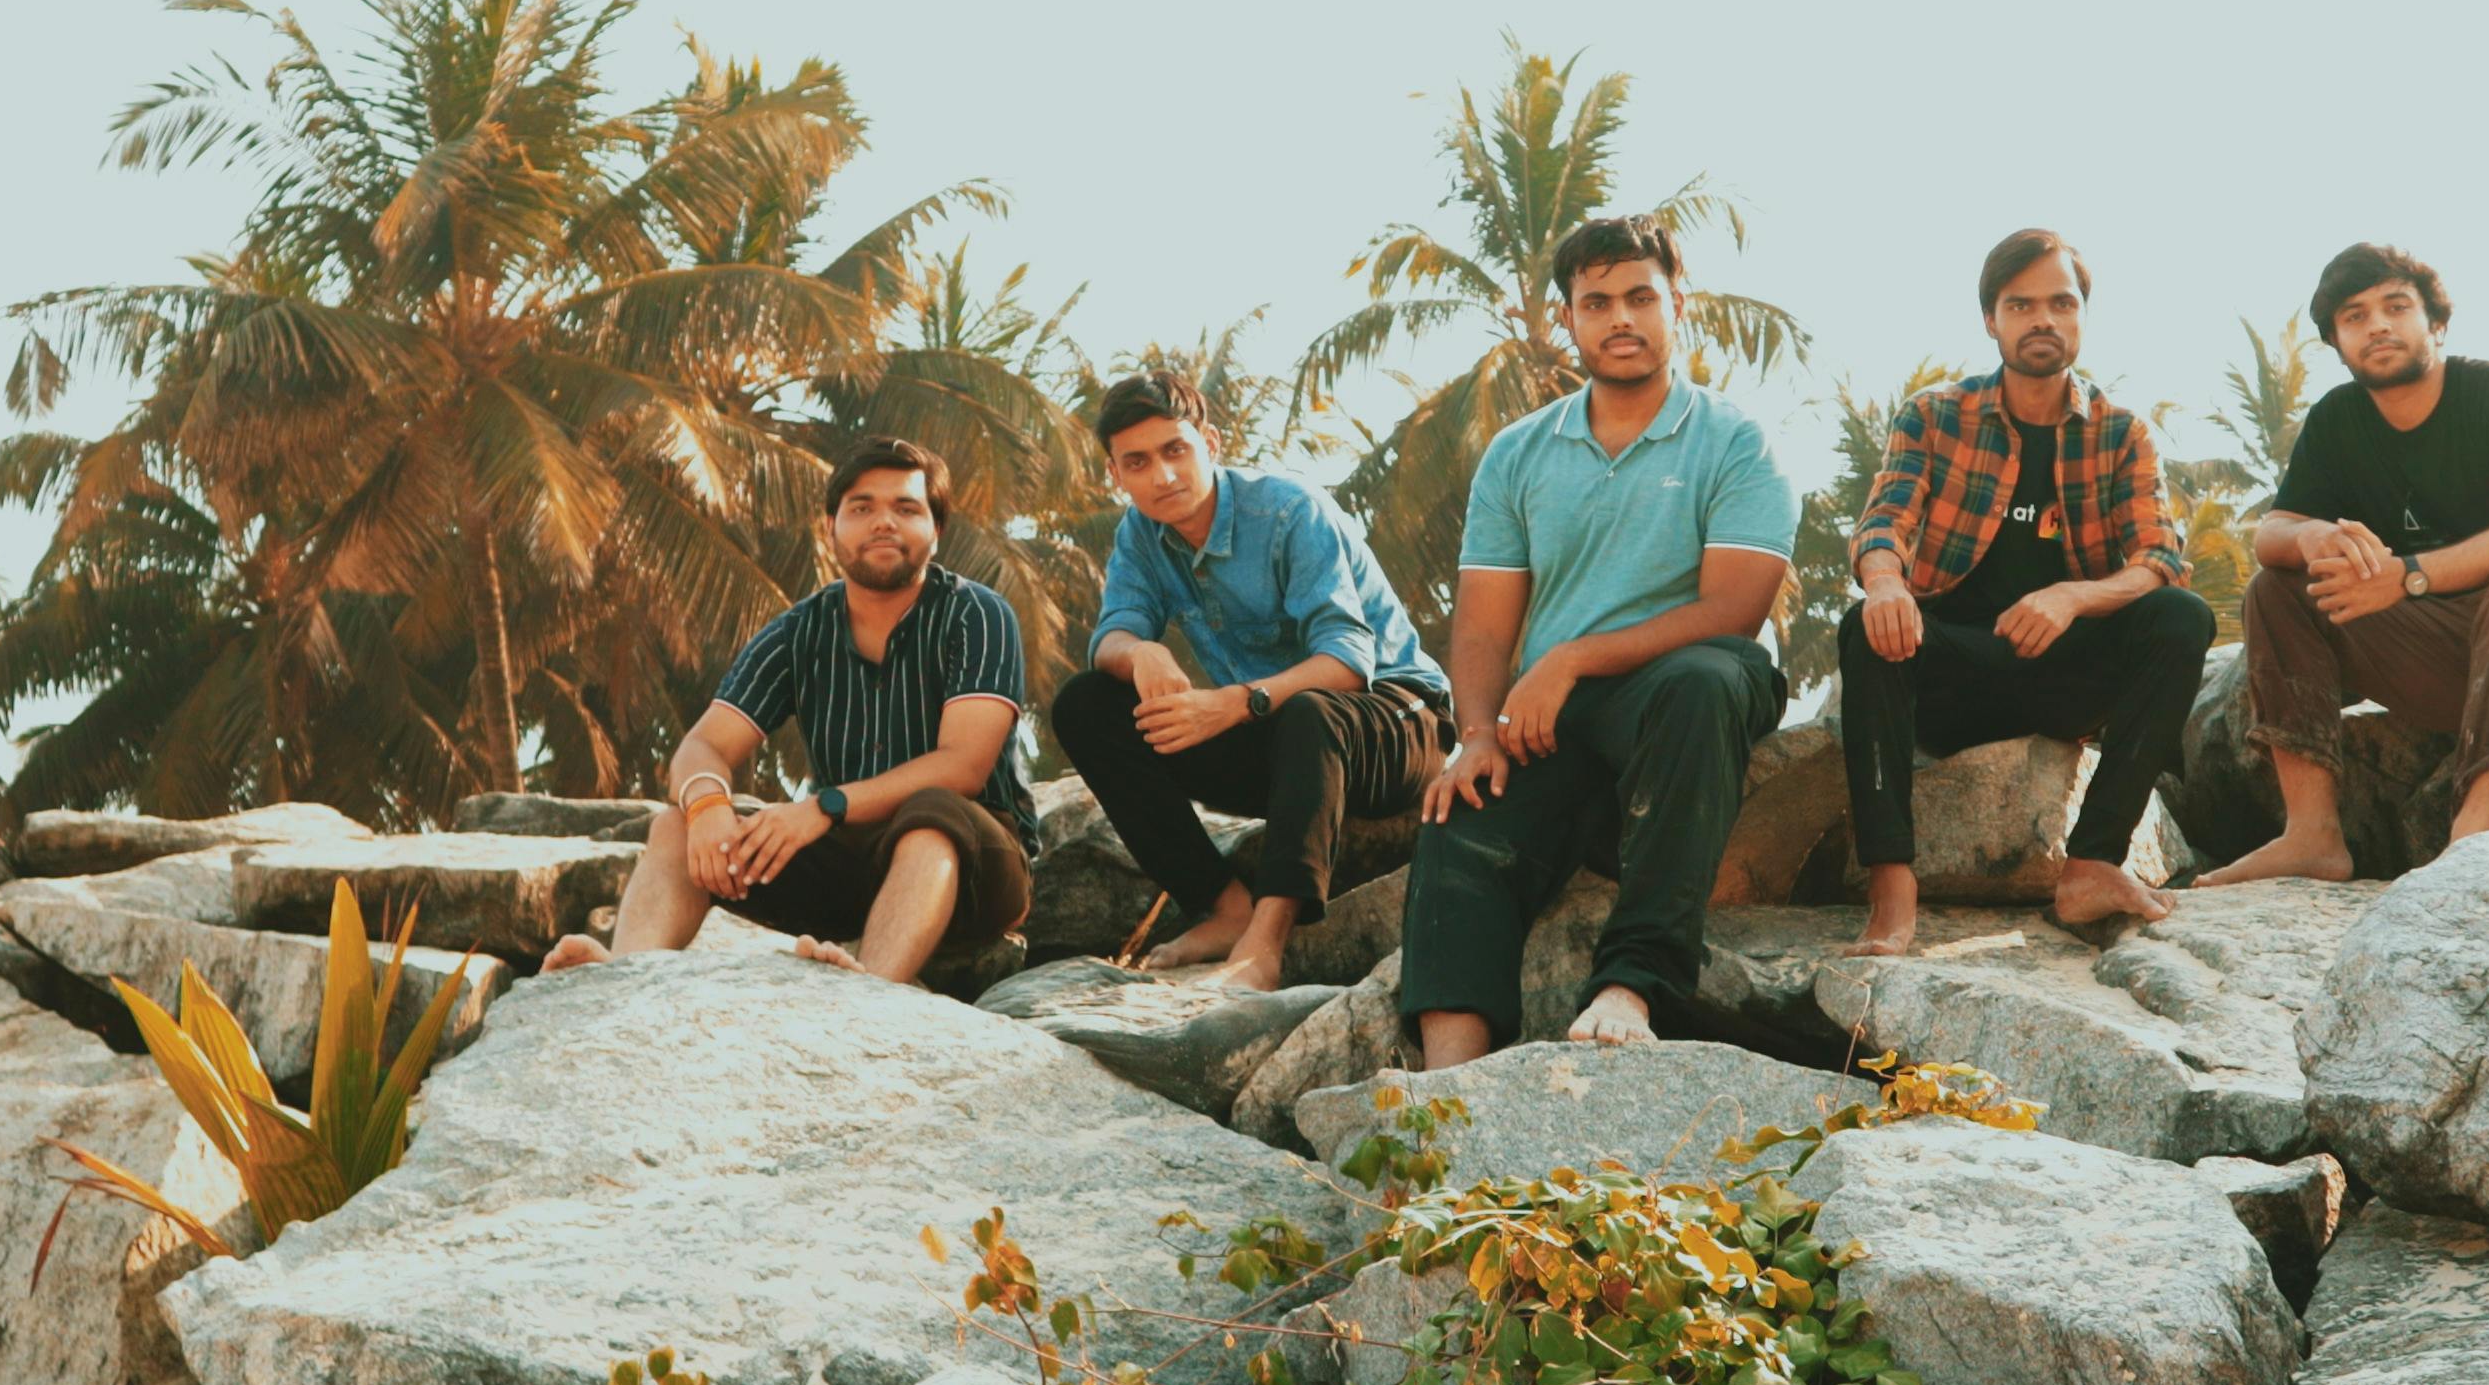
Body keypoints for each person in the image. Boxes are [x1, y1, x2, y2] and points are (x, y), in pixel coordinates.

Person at [1404, 214, 1796, 1061]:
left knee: (1709, 678)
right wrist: (1475, 734)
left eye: (1639, 297)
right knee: (1458, 806)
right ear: (1570, 319)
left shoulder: (1736, 441)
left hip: (1677, 688)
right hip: (1557, 717)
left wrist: (1571, 658)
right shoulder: (1518, 453)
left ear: (1676, 305)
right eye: (1596, 302)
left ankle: (1634, 981)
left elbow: (1735, 611)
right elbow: (1480, 624)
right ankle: (1448, 1089)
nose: (1620, 317)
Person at [2199, 241, 2489, 880]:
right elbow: (2273, 533)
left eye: (2395, 306)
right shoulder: (2337, 421)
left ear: (2436, 322)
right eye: (2354, 316)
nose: (2376, 324)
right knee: (2279, 586)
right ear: (2337, 343)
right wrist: (2314, 537)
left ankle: (2473, 833)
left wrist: (2405, 578)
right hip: (2457, 661)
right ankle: (2313, 835)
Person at [1836, 228, 2217, 951]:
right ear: (1992, 321)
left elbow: (2160, 556)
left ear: (2081, 316)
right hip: (1952, 678)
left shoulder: (2120, 431)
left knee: (2181, 618)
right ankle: (1892, 886)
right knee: (1866, 628)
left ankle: (2093, 863)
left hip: (2064, 684)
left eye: (2060, 303)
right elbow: (1884, 523)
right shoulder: (1936, 414)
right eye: (2021, 304)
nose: (2043, 319)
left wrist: (2073, 597)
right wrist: (1885, 583)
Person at [556, 438, 1039, 985]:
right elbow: (703, 746)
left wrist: (823, 807)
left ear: (936, 530)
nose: (884, 522)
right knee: (678, 824)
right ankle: (624, 975)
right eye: (862, 508)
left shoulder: (977, 615)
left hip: (973, 868)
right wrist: (708, 803)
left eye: (906, 508)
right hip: (848, 871)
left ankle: (870, 993)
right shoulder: (799, 631)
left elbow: (963, 765)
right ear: (831, 527)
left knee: (932, 811)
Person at [1047, 375, 1453, 993]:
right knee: (1087, 704)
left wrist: (1237, 703)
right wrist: (1142, 651)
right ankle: (1223, 907)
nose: (1161, 476)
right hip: (1287, 749)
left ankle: (1263, 943)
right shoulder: (1141, 533)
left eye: (1174, 450)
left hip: (1395, 726)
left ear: (1209, 442)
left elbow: (1346, 661)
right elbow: (1112, 637)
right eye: (1138, 462)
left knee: (1311, 711)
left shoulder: (1290, 509)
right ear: (1115, 475)